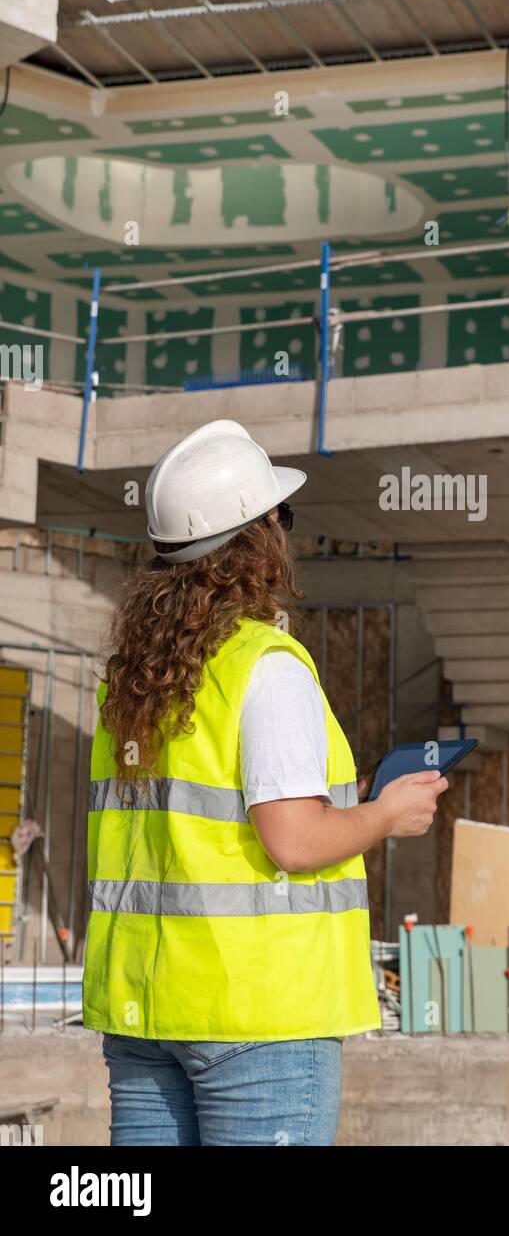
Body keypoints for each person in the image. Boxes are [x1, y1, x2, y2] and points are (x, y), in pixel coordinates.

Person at [82, 419, 447, 1146]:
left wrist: (353, 796)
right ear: (260, 538)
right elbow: (294, 841)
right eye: (282, 517)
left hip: (148, 1013)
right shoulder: (266, 665)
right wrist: (386, 815)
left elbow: (201, 824)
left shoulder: (136, 680)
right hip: (259, 1021)